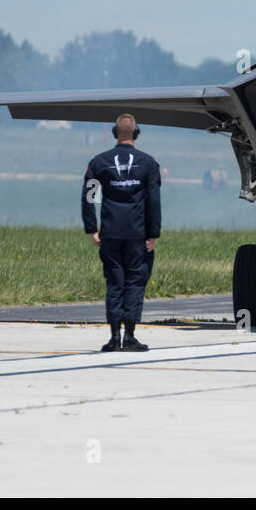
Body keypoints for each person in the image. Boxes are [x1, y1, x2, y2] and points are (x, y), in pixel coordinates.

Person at [82, 113, 161, 351]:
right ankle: (130, 336)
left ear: (115, 134)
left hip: (110, 233)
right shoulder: (148, 164)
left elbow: (89, 197)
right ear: (136, 134)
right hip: (137, 234)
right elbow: (153, 201)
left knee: (115, 282)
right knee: (135, 282)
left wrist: (92, 229)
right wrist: (153, 234)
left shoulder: (99, 162)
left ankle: (114, 337)